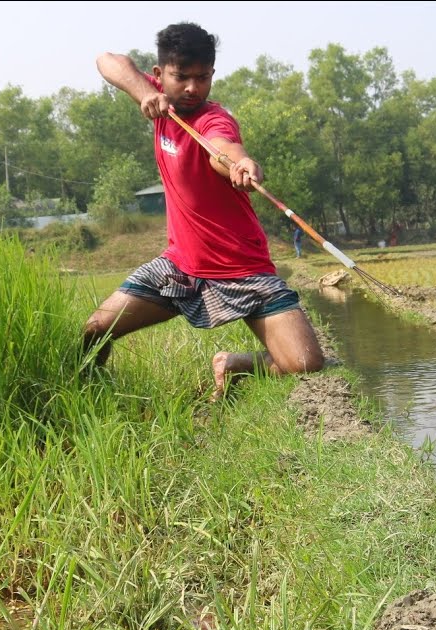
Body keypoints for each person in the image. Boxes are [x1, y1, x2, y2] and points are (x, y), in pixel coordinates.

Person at [83, 22, 324, 400]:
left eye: (203, 77)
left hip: (242, 267)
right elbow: (107, 60)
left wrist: (242, 165)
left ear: (212, 74)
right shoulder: (159, 101)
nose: (193, 88)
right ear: (161, 74)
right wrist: (145, 93)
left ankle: (236, 363)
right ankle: (89, 395)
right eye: (182, 78)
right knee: (95, 329)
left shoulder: (214, 119)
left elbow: (223, 150)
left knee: (305, 363)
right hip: (180, 267)